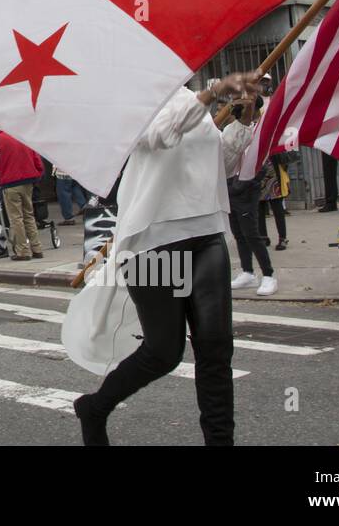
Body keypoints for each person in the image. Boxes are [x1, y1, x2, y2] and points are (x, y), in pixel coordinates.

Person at [72, 71, 259, 446]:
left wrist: (243, 121)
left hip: (206, 232)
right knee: (163, 351)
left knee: (216, 347)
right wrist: (212, 93)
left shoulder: (193, 99)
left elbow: (216, 165)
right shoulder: (134, 98)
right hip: (154, 240)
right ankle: (95, 407)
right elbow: (162, 135)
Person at [222, 94, 277, 297]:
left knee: (252, 233)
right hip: (230, 184)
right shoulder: (230, 130)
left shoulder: (259, 130)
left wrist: (248, 181)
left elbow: (261, 160)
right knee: (239, 232)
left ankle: (268, 274)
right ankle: (247, 271)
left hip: (247, 186)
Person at [0, 130, 44, 260]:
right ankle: (37, 248)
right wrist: (37, 174)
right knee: (29, 215)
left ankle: (23, 251)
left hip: (11, 181)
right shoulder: (23, 135)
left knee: (16, 218)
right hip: (28, 180)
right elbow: (37, 159)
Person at [258, 147, 292, 250]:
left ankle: (282, 238)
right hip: (259, 176)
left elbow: (284, 157)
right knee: (259, 209)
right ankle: (263, 237)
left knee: (278, 210)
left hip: (274, 175)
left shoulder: (274, 136)